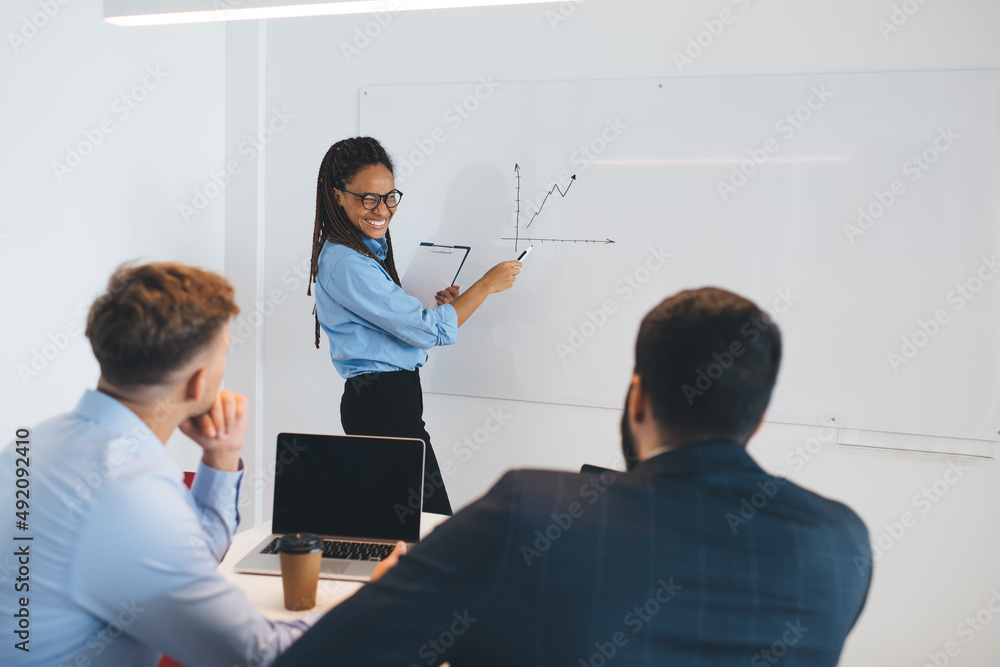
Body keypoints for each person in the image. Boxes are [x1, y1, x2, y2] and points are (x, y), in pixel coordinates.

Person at [275, 287, 873, 666]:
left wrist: (394, 597)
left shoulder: (529, 514)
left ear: (637, 398)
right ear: (759, 418)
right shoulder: (840, 542)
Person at [0, 262, 316, 667]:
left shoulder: (36, 442)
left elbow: (187, 561)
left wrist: (220, 458)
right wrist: (374, 601)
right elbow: (260, 656)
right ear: (198, 383)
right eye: (224, 352)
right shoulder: (128, 492)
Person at [307, 136, 522, 515]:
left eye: (390, 197)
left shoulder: (360, 253)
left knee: (402, 527)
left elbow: (396, 323)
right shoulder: (347, 262)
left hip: (389, 401)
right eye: (368, 198)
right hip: (381, 403)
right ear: (337, 196)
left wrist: (437, 306)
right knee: (429, 522)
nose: (383, 209)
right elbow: (426, 331)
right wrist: (486, 285)